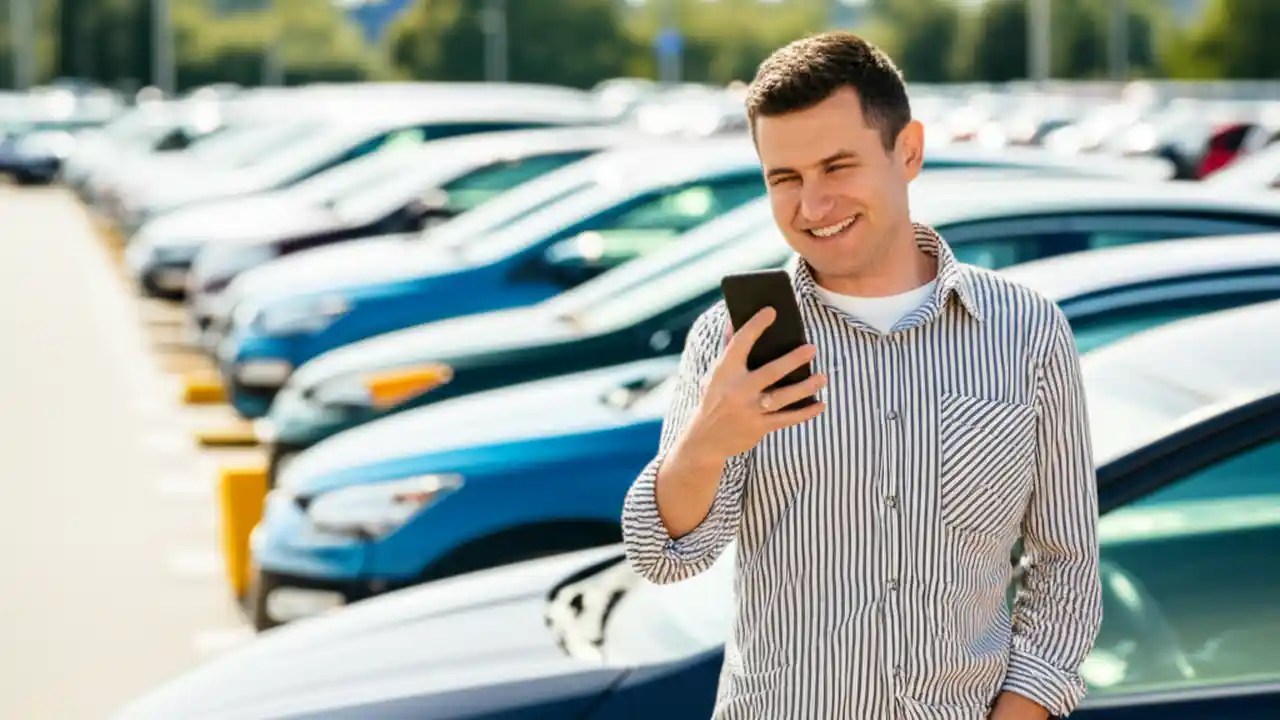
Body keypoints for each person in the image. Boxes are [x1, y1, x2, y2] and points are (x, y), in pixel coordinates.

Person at [620, 32, 1101, 720]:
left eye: (837, 167)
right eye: (785, 178)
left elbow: (1067, 569)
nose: (813, 206)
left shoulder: (1027, 332)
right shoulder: (731, 342)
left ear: (908, 152)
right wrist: (705, 443)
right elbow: (663, 557)